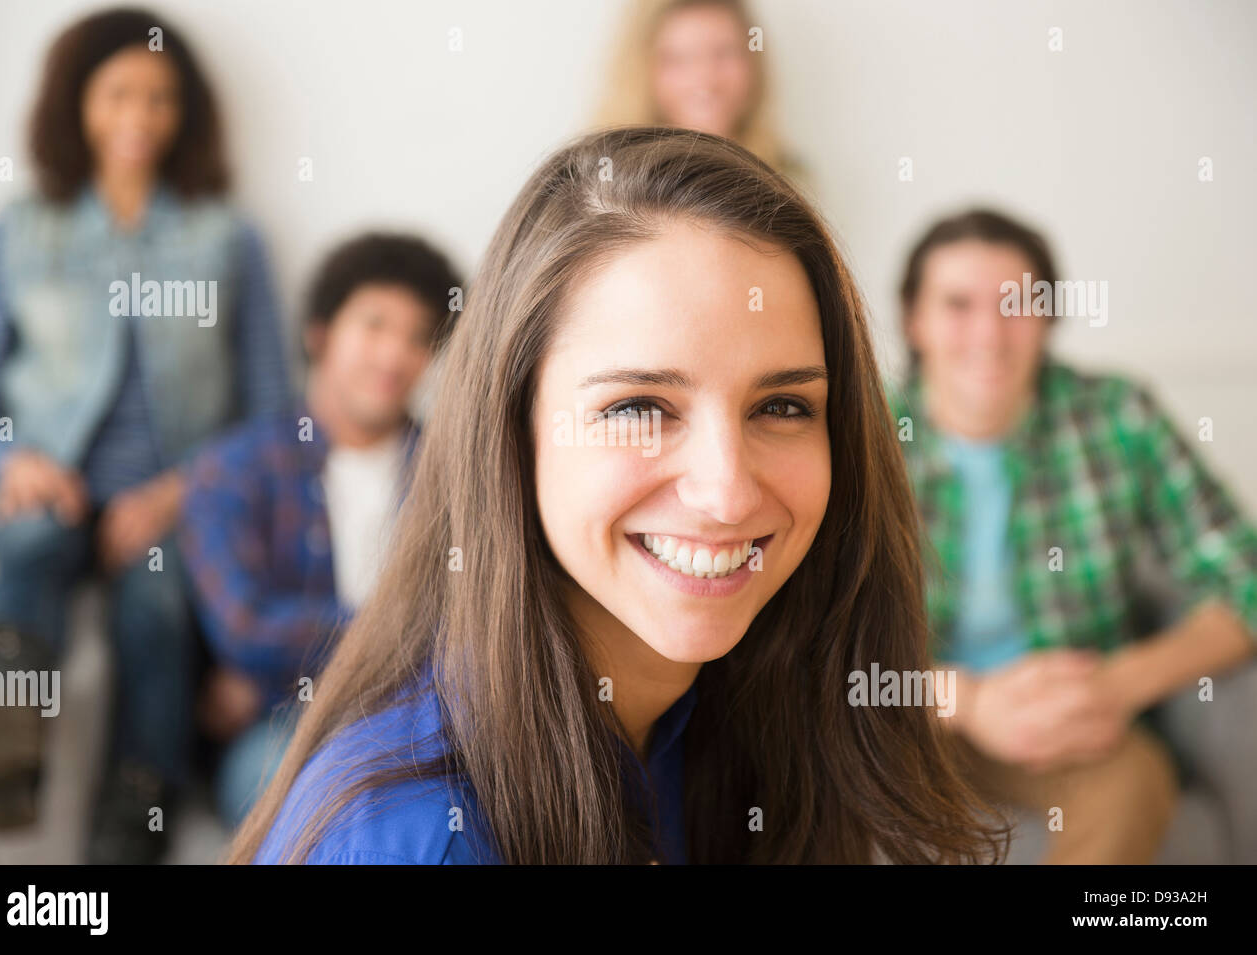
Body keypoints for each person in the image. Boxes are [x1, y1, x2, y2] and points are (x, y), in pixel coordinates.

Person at [229, 126, 1006, 865]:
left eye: (781, 406)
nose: (727, 492)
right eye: (639, 407)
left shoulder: (717, 719)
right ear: (512, 427)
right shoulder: (422, 836)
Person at [0, 7, 291, 863]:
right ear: (78, 104)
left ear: (186, 113)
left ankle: (133, 815)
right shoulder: (21, 230)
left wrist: (178, 492)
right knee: (30, 543)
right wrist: (13, 459)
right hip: (52, 485)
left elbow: (269, 410)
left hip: (172, 493)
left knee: (155, 604)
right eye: (119, 96)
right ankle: (4, 736)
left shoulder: (226, 236)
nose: (140, 118)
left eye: (160, 98)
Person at [889, 208, 1257, 863]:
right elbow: (805, 640)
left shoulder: (1119, 416)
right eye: (957, 304)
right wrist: (969, 701)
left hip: (1076, 722)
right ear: (914, 319)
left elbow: (1245, 579)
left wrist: (1120, 682)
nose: (988, 333)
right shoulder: (860, 435)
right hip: (908, 719)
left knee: (1132, 780)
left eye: (1016, 305)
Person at [178, 232, 462, 829]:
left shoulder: (457, 471)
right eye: (375, 326)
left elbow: (475, 620)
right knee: (304, 795)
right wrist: (401, 631)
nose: (394, 356)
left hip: (429, 717)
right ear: (320, 334)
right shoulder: (236, 466)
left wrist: (277, 671)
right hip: (282, 728)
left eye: (417, 338)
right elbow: (245, 628)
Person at [594, 0, 809, 186]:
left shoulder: (790, 177)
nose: (706, 78)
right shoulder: (602, 179)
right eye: (679, 58)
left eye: (725, 53)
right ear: (640, 72)